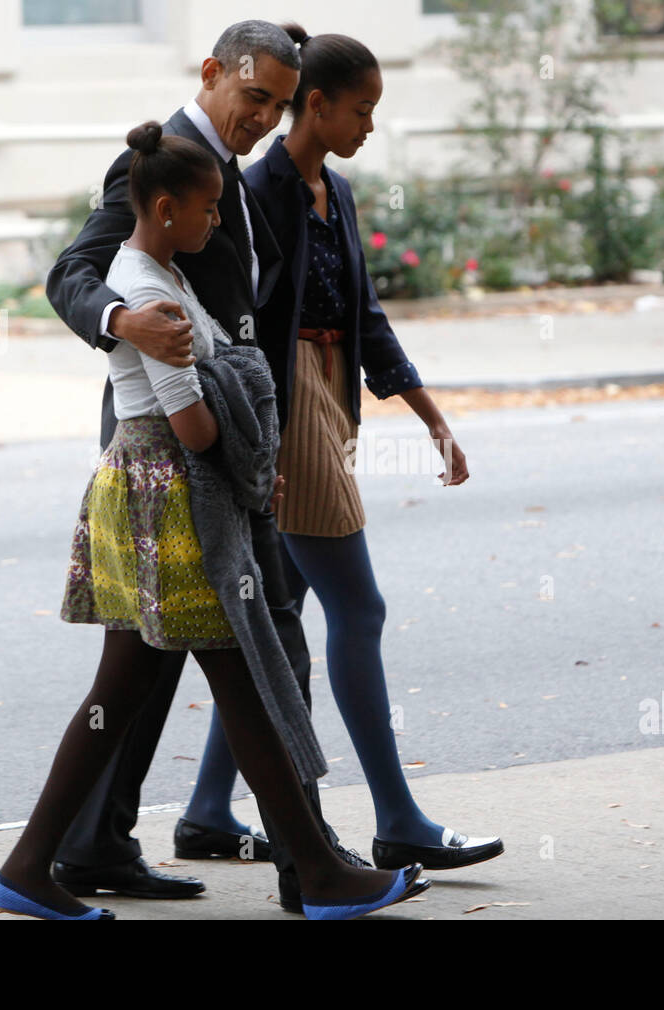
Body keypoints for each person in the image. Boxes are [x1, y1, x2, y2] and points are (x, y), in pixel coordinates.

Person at [0, 119, 430, 921]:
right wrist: (254, 456)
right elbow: (192, 426)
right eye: (208, 210)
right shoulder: (150, 291)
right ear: (162, 208)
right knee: (246, 685)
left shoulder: (161, 271)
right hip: (176, 502)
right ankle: (321, 875)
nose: (218, 222)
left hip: (156, 496)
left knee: (119, 696)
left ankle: (26, 869)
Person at [44, 20, 365, 909]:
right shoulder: (160, 166)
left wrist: (277, 443)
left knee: (155, 666)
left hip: (232, 452)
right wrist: (121, 321)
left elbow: (248, 320)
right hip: (183, 455)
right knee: (271, 647)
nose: (263, 117)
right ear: (213, 72)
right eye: (252, 96)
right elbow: (72, 271)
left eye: (278, 104)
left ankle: (84, 849)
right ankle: (313, 862)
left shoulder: (227, 179)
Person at [184, 23, 503, 882]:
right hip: (288, 408)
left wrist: (431, 416)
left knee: (274, 616)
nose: (370, 125)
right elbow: (233, 324)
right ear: (314, 106)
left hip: (334, 397)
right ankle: (398, 818)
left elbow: (365, 319)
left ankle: (208, 811)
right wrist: (258, 441)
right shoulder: (260, 192)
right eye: (360, 109)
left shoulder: (338, 192)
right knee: (358, 611)